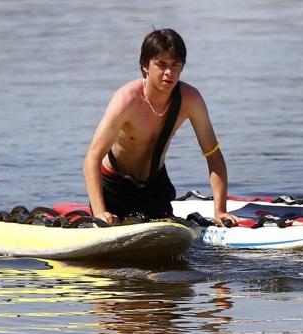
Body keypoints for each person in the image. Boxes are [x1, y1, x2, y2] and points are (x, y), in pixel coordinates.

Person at [83, 28, 238, 226]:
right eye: (161, 64)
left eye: (175, 65)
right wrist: (99, 212)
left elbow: (213, 154)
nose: (169, 73)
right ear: (145, 65)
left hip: (155, 184)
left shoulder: (190, 99)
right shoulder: (127, 100)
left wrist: (220, 210)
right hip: (114, 186)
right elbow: (91, 159)